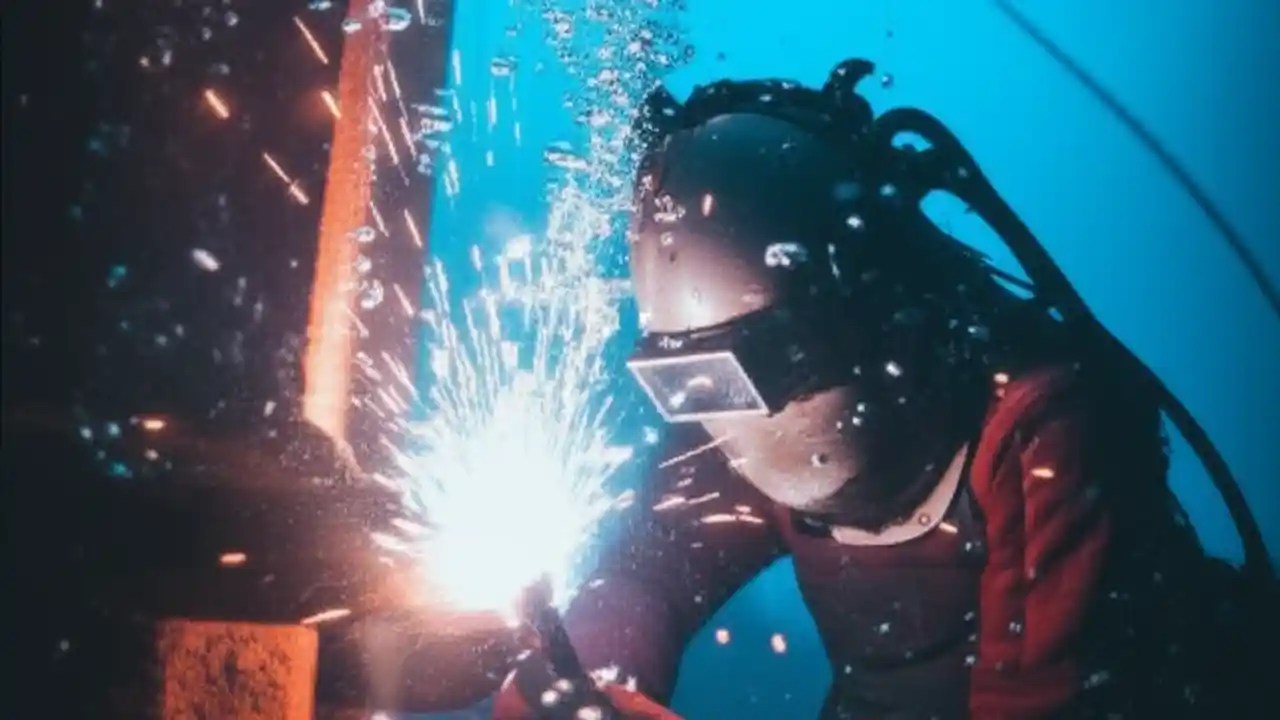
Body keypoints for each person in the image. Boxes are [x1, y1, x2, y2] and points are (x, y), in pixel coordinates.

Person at [492, 59, 1276, 719]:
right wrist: (585, 687)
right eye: (687, 382)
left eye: (748, 372)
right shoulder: (735, 416)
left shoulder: (1037, 424)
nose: (718, 412)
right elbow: (646, 579)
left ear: (864, 332)